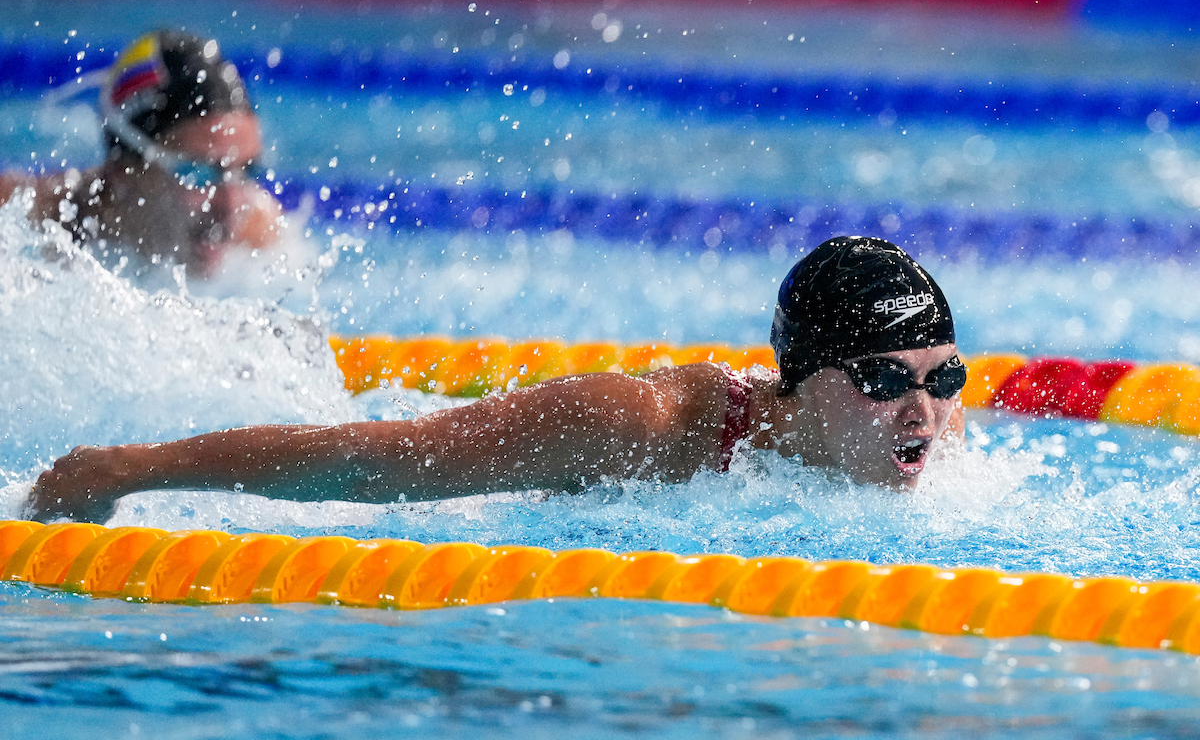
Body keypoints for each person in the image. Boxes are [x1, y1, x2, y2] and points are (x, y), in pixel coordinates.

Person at [28, 236, 967, 524]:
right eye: (885, 378)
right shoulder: (638, 425)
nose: (923, 408)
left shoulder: (929, 434)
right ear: (798, 382)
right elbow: (377, 462)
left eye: (945, 375)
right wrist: (129, 468)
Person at [0, 30, 284, 278]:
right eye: (199, 174)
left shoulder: (260, 232)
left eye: (246, 171)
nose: (232, 205)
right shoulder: (23, 216)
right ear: (125, 169)